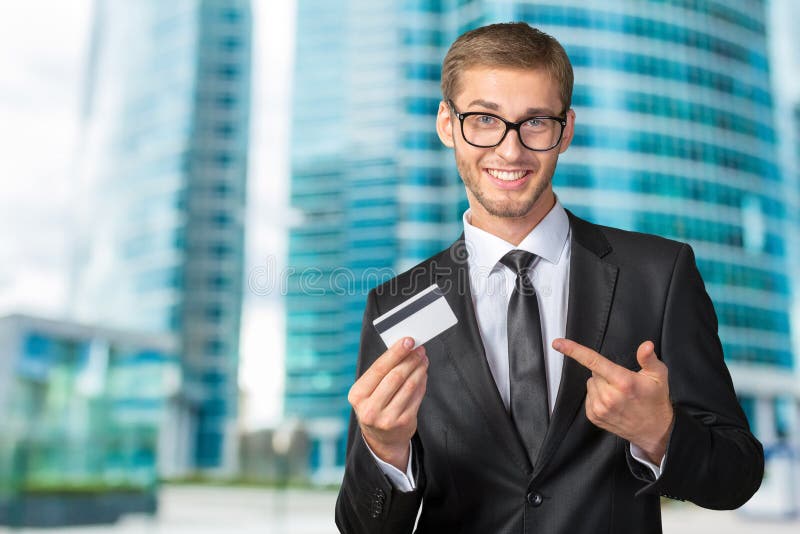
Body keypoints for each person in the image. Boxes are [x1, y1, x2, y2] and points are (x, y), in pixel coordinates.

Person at [335, 22, 763, 534]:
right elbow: (361, 528)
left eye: (535, 122)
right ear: (447, 124)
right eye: (484, 119)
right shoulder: (401, 304)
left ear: (567, 129)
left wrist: (661, 433)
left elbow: (738, 477)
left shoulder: (659, 275)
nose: (510, 150)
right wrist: (385, 451)